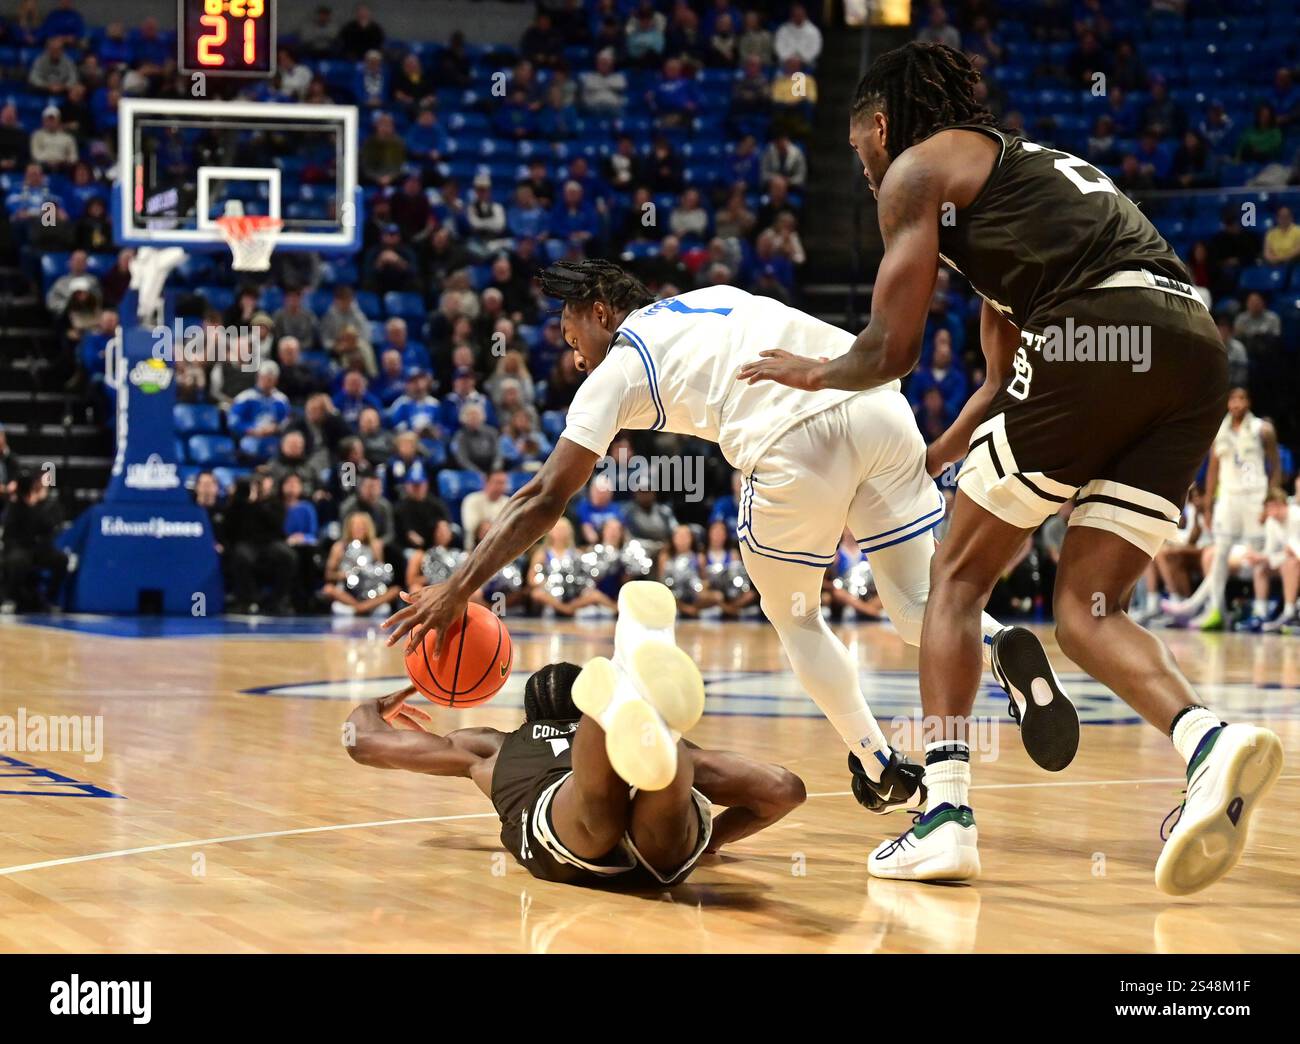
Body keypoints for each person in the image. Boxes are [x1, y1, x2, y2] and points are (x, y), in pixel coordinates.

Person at [738, 42, 1283, 893]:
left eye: (858, 149)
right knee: (1086, 609)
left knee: (952, 581)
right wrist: (948, 446)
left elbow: (892, 347)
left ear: (881, 126)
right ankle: (1208, 743)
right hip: (1191, 348)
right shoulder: (1022, 180)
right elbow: (1001, 374)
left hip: (1094, 332)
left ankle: (946, 813)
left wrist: (811, 371)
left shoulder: (916, 170)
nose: (865, 168)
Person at [386, 259, 1071, 813]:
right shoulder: (712, 297)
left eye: (572, 334)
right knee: (926, 606)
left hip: (791, 440)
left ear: (603, 312)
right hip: (879, 410)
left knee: (796, 618)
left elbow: (542, 498)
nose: (572, 356)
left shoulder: (625, 361)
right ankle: (997, 642)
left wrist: (460, 585)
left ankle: (878, 763)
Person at [344, 648, 806, 886]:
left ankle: (611, 711)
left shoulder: (492, 748)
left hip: (572, 836)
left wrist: (376, 703)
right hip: (663, 854)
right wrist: (713, 843)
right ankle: (643, 710)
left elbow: (362, 742)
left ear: (529, 717)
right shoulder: (641, 743)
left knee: (592, 801)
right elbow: (784, 791)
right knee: (671, 765)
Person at [1164, 388, 1279, 632]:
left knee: (1256, 554)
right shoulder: (1219, 432)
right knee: (1219, 554)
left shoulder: (1263, 430)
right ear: (1227, 403)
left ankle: (1258, 610)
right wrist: (1207, 507)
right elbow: (1213, 472)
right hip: (1228, 498)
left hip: (1255, 497)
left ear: (1249, 402)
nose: (1237, 404)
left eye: (1242, 399)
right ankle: (1214, 609)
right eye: (1233, 399)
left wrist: (1269, 500)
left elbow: (1275, 467)